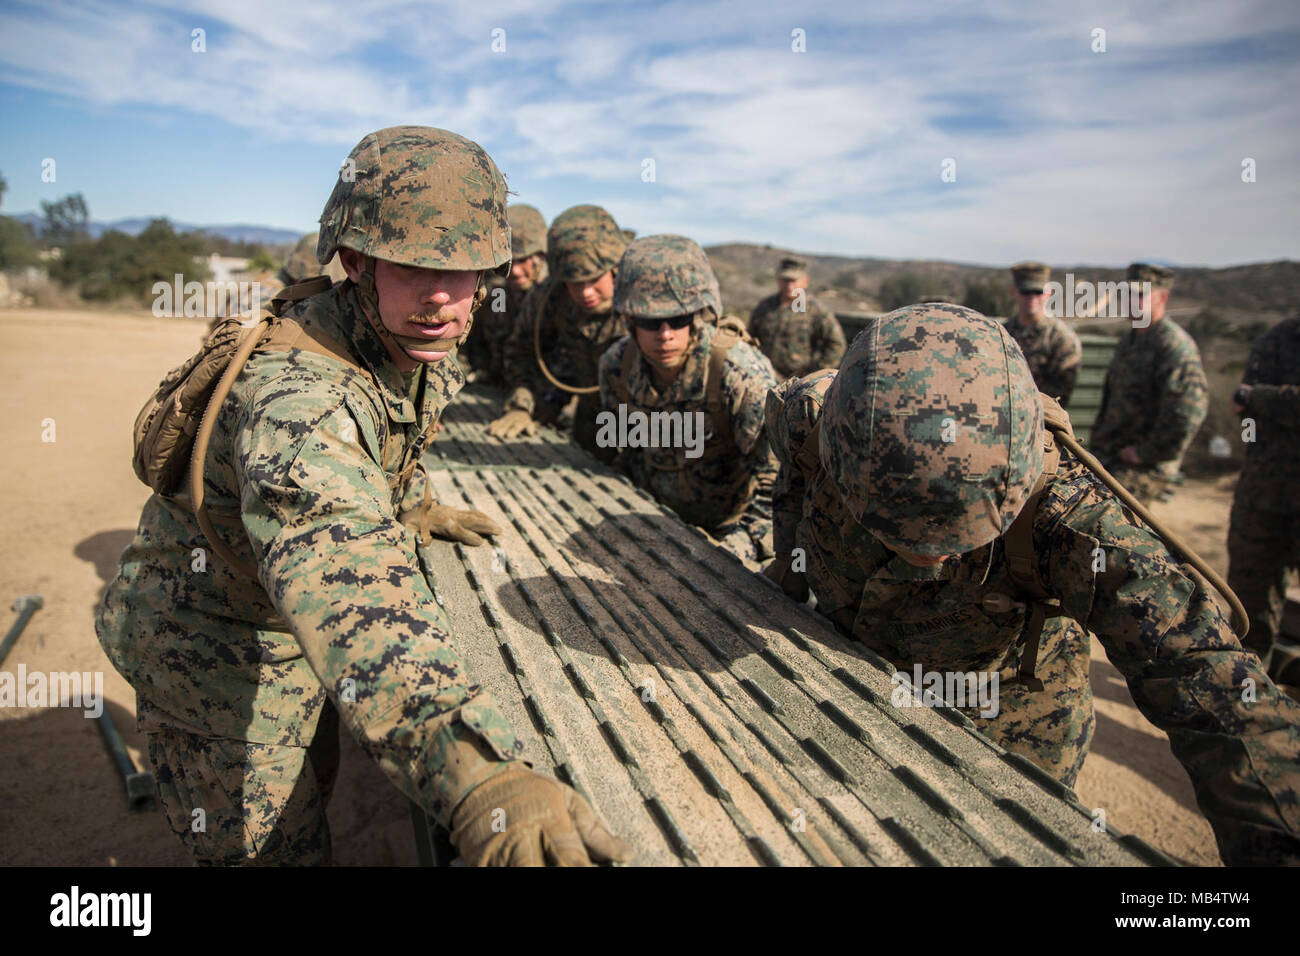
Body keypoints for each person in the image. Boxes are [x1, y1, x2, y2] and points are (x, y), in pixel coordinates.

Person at [95, 126, 632, 867]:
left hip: (280, 625)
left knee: (314, 777)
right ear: (357, 261)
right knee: (272, 851)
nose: (443, 295)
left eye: (467, 268)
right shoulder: (301, 400)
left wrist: (414, 504)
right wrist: (474, 774)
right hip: (212, 654)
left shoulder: (405, 339)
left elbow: (391, 438)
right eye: (413, 266)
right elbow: (342, 577)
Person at [763, 303, 1300, 866]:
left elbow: (1209, 681)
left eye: (957, 527)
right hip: (853, 677)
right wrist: (789, 577)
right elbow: (790, 487)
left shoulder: (1074, 517)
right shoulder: (811, 418)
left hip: (1007, 721)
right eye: (895, 522)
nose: (926, 555)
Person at [598, 235, 778, 565]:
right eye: (651, 322)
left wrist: (739, 546)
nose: (665, 334)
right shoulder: (616, 367)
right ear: (630, 320)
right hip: (654, 521)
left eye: (678, 319)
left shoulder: (740, 375)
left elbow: (778, 485)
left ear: (696, 317)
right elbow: (628, 453)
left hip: (731, 531)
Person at [487, 204, 629, 454]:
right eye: (574, 283)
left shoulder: (645, 299)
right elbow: (522, 353)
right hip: (591, 424)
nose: (585, 293)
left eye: (594, 279)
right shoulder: (549, 298)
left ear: (615, 270)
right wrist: (523, 405)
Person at [1090, 263, 1208, 505]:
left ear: (1163, 297)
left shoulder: (1173, 346)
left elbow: (1188, 413)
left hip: (1143, 468)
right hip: (1111, 457)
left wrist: (1145, 453)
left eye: (1140, 295)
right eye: (1128, 294)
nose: (1131, 301)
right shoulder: (1130, 341)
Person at [1228, 316, 1300, 694]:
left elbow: (1247, 396)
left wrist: (1259, 397)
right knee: (1249, 613)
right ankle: (1248, 707)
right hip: (1262, 498)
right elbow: (1241, 411)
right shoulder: (1276, 339)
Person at [460, 204, 548, 386]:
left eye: (523, 260)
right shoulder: (496, 296)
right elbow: (471, 347)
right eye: (508, 262)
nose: (514, 271)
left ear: (541, 256)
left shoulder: (557, 298)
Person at [747, 256, 846, 379]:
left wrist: (815, 373)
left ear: (805, 282)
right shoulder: (764, 307)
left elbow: (836, 344)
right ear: (778, 280)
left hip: (799, 382)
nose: (789, 285)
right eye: (786, 280)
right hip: (765, 377)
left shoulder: (815, 310)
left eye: (794, 281)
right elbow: (750, 339)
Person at [1002, 261, 1082, 404]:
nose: (1032, 298)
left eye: (1038, 292)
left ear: (1048, 293)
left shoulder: (1061, 338)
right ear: (1013, 292)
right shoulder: (1001, 333)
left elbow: (1059, 396)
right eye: (1026, 292)